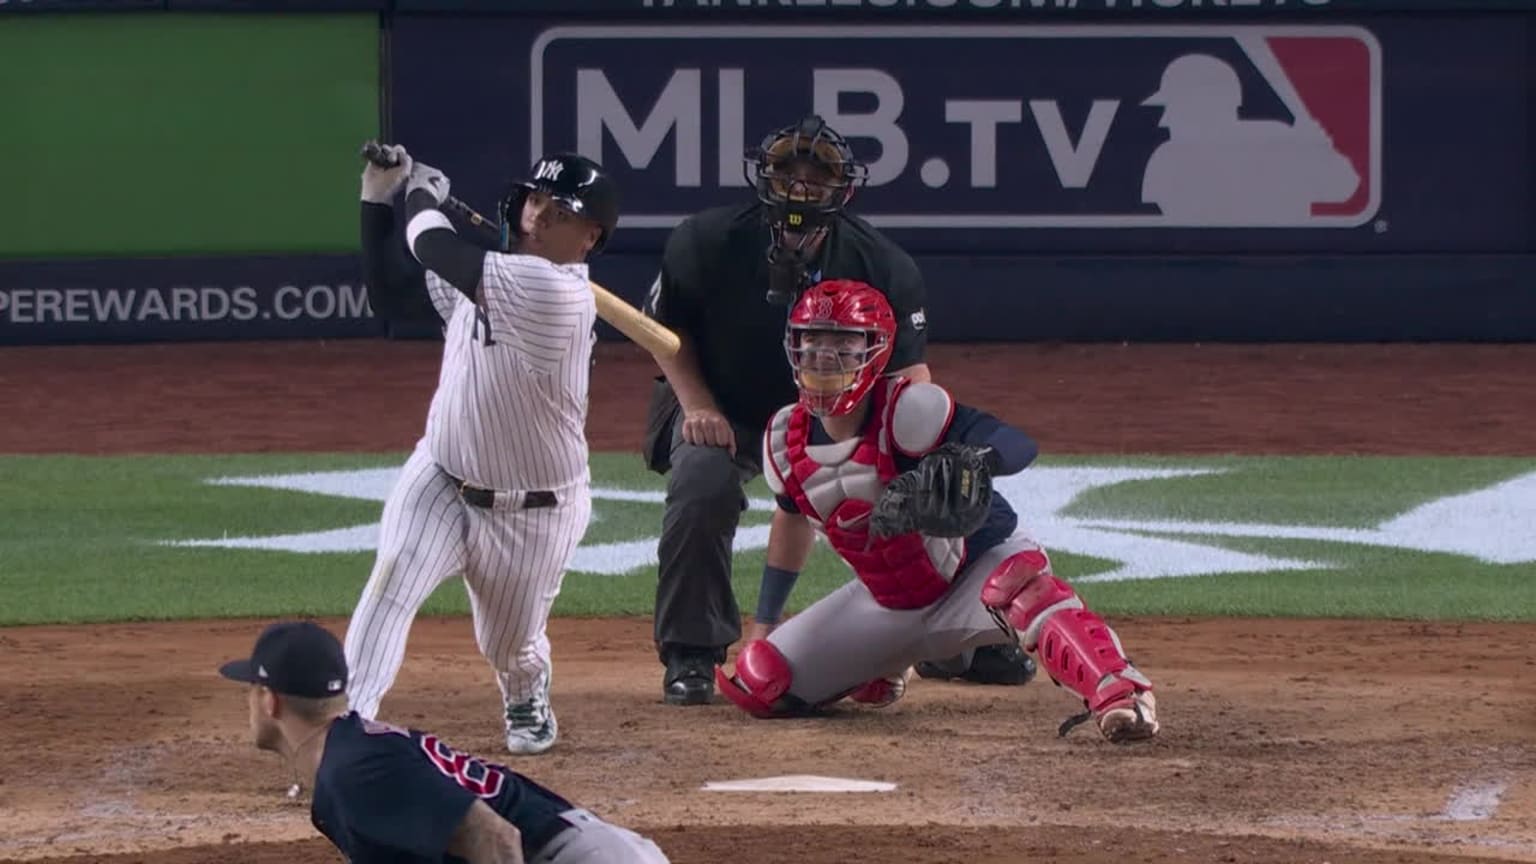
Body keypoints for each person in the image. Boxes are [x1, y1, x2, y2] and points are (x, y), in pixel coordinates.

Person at [640, 114, 1033, 705]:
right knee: (702, 476)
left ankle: (954, 637)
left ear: (842, 190)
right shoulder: (705, 240)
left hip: (832, 410)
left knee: (915, 475)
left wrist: (911, 451)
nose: (800, 187)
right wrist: (697, 405)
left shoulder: (884, 264)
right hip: (720, 399)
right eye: (787, 173)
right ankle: (691, 650)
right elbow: (666, 334)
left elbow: (908, 375)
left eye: (816, 176)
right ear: (764, 178)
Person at [712, 279, 1160, 745]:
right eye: (814, 341)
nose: (825, 356)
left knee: (1024, 590)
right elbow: (790, 523)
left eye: (843, 343)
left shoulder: (909, 409)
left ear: (875, 351)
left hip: (976, 573)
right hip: (889, 603)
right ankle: (887, 663)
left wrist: (974, 460)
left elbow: (1015, 444)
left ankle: (1121, 692)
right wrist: (764, 623)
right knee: (763, 679)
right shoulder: (784, 441)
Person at [344, 142, 619, 755]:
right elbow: (392, 295)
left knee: (509, 646)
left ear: (589, 238)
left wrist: (421, 193)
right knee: (390, 588)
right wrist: (376, 200)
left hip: (536, 511)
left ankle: (525, 688)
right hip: (441, 477)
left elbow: (430, 245)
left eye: (562, 213)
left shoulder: (556, 293)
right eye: (538, 200)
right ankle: (345, 728)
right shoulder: (496, 272)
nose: (540, 215)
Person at [218, 620, 671, 863]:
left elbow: (496, 838)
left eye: (250, 691)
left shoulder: (356, 771)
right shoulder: (352, 757)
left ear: (270, 701)